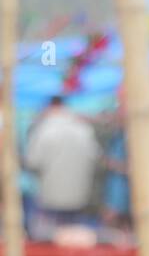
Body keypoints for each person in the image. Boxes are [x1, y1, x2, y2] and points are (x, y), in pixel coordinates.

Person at [23, 95, 101, 238]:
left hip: (49, 196)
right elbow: (95, 158)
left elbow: (32, 162)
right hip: (80, 195)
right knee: (75, 236)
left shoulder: (43, 130)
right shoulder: (83, 129)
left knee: (50, 238)